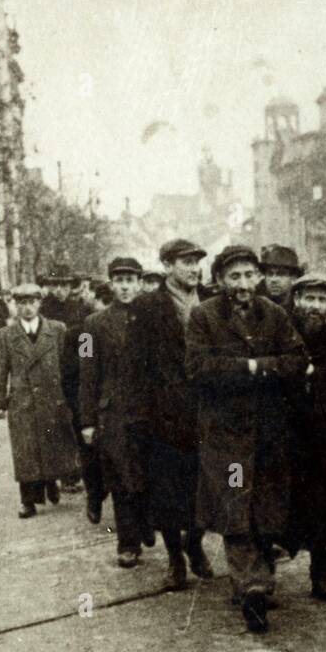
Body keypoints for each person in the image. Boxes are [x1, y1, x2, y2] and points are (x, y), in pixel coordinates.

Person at [186, 245, 307, 631]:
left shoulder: (274, 314)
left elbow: (297, 359)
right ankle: (249, 585)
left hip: (269, 433)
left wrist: (249, 368)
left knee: (267, 508)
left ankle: (261, 580)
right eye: (234, 277)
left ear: (257, 277)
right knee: (237, 508)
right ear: (220, 280)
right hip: (227, 437)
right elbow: (200, 368)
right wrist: (257, 367)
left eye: (249, 275)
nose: (243, 284)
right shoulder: (203, 316)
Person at [128, 239, 216, 588]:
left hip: (206, 412)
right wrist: (142, 415)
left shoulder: (211, 302)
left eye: (196, 261)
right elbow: (136, 367)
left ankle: (194, 545)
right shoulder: (147, 307)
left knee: (203, 488)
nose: (193, 268)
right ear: (166, 266)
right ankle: (174, 558)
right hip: (163, 417)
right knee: (165, 491)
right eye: (185, 262)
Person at [79, 257, 154, 569]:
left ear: (139, 283)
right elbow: (87, 375)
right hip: (114, 414)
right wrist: (86, 421)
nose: (125, 286)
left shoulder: (153, 319)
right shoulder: (92, 325)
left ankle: (146, 524)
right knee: (121, 478)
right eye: (119, 280)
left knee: (149, 474)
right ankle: (127, 542)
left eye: (131, 280)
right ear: (111, 283)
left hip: (150, 411)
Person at [283, 271, 326, 602]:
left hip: (324, 437)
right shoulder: (281, 334)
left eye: (322, 300)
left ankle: (321, 577)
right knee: (279, 505)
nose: (315, 306)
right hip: (286, 434)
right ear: (297, 300)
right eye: (309, 298)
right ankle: (263, 577)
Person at [0, 283, 78, 518]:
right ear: (15, 305)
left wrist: (72, 396)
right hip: (23, 401)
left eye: (31, 302)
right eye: (21, 303)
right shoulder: (5, 335)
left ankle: (51, 483)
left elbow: (68, 364)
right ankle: (28, 500)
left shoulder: (58, 330)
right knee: (25, 451)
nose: (27, 308)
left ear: (39, 303)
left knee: (52, 445)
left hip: (52, 398)